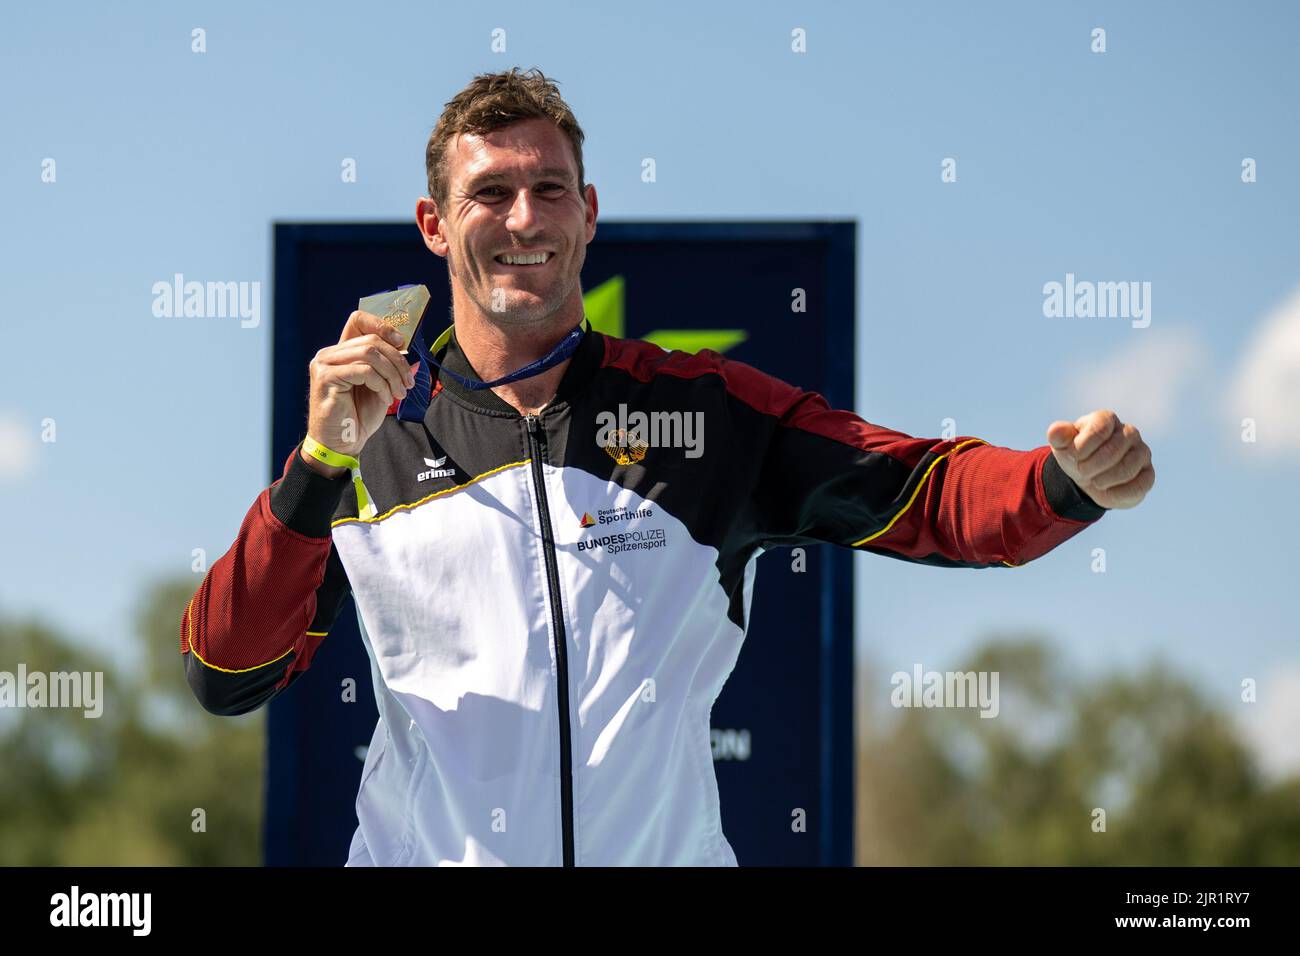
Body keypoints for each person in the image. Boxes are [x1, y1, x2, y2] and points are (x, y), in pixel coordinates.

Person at [179, 67, 1155, 866]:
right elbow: (224, 673)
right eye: (489, 192)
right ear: (434, 224)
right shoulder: (364, 451)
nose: (524, 218)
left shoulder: (705, 411)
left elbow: (924, 492)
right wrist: (315, 465)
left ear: (589, 212)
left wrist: (1060, 484)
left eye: (549, 188)